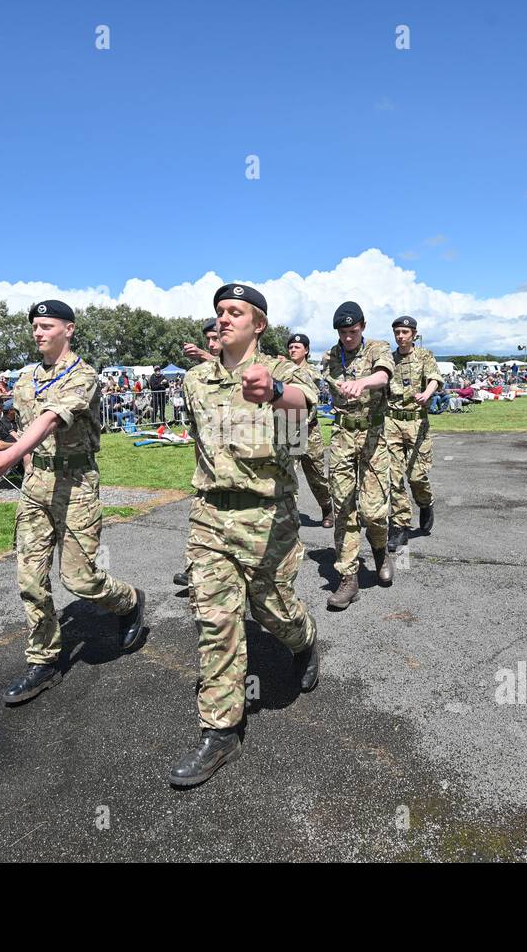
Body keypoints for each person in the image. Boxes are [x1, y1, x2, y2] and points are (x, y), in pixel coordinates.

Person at [168, 282, 319, 788]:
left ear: (259, 324)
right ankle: (221, 731)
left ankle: (305, 641)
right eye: (220, 312)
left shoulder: (286, 372)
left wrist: (275, 395)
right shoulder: (195, 381)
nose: (225, 319)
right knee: (214, 620)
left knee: (274, 612)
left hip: (266, 518)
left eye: (237, 312)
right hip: (210, 515)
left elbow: (300, 420)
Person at [0, 300, 146, 706]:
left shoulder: (83, 376)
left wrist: (7, 457)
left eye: (47, 325)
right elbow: (26, 424)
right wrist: (25, 461)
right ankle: (44, 661)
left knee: (81, 580)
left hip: (76, 484)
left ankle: (130, 601)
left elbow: (51, 418)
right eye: (35, 325)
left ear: (68, 329)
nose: (38, 332)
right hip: (37, 482)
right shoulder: (26, 377)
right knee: (29, 579)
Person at [321, 301, 394, 609]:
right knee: (343, 508)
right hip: (342, 436)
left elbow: (383, 376)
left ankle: (379, 549)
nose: (348, 337)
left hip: (374, 435)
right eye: (342, 332)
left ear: (362, 326)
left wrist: (361, 382)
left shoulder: (378, 348)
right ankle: (348, 578)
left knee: (375, 512)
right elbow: (329, 383)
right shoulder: (329, 357)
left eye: (352, 331)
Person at [173, 317, 226, 588]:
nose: (212, 344)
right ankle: (197, 572)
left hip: (250, 478)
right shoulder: (195, 379)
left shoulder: (258, 370)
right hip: (210, 472)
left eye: (216, 338)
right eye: (208, 340)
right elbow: (197, 431)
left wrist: (207, 357)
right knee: (202, 527)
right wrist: (200, 470)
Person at [386, 316, 443, 552]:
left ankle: (425, 502)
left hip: (417, 422)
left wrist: (427, 394)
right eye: (397, 332)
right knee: (394, 477)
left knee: (416, 477)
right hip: (392, 422)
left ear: (414, 334)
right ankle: (399, 527)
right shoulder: (388, 358)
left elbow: (434, 378)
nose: (401, 336)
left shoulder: (424, 355)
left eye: (405, 332)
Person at [285, 332, 333, 526]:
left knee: (317, 475)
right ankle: (289, 514)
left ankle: (327, 507)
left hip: (309, 430)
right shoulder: (283, 370)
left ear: (306, 350)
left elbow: (309, 384)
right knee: (288, 473)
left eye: (297, 347)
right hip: (288, 429)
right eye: (290, 347)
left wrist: (286, 369)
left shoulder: (312, 371)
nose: (293, 349)